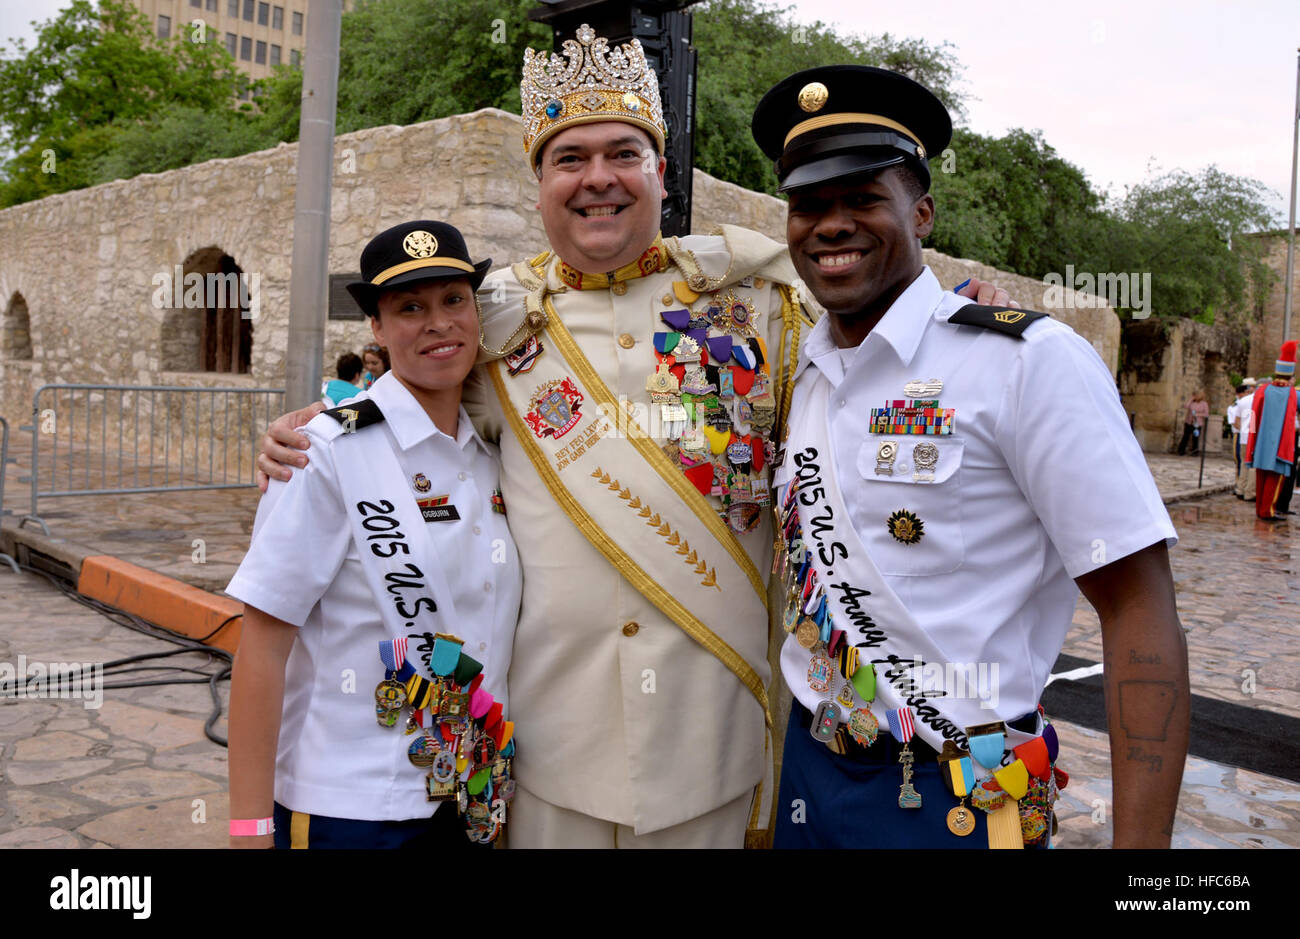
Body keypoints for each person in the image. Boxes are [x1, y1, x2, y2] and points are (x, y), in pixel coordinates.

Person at [256, 25, 1011, 849]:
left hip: (715, 753)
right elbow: (408, 414)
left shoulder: (764, 303)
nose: (598, 179)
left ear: (661, 169)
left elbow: (880, 356)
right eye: (568, 158)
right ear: (539, 180)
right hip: (552, 760)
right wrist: (317, 426)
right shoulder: (499, 320)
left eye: (624, 152)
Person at [751, 65, 1189, 848]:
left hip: (963, 791)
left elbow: (1138, 606)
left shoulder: (1026, 363)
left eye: (863, 198)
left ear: (920, 212)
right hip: (810, 775)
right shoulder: (798, 372)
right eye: (809, 204)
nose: (832, 225)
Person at [226, 221, 523, 849]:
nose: (438, 322)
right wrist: (248, 829)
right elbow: (263, 644)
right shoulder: (323, 452)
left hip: (463, 796)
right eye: (409, 307)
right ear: (378, 330)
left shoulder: (489, 452)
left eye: (454, 300)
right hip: (347, 808)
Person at [1244, 341, 1298, 521]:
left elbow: (1252, 415)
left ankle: (1260, 509)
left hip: (1260, 443)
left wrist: (1251, 437)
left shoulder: (1262, 390)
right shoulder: (1292, 394)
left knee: (1261, 477)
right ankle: (1268, 511)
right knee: (1274, 479)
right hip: (1279, 444)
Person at [1229, 381, 1256, 499]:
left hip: (1243, 436)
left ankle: (1240, 488)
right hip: (1253, 436)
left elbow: (1236, 422)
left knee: (1244, 463)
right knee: (1253, 465)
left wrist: (1244, 430)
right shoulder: (1258, 400)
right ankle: (1250, 492)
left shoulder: (1242, 401)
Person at [1176, 390, 1209, 455]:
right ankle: (1181, 450)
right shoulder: (1191, 403)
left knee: (1195, 437)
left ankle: (1194, 451)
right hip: (1189, 422)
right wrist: (1191, 399)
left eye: (1196, 395)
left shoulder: (1204, 404)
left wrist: (1197, 414)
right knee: (1185, 436)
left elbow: (1206, 414)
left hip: (1197, 423)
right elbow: (1186, 406)